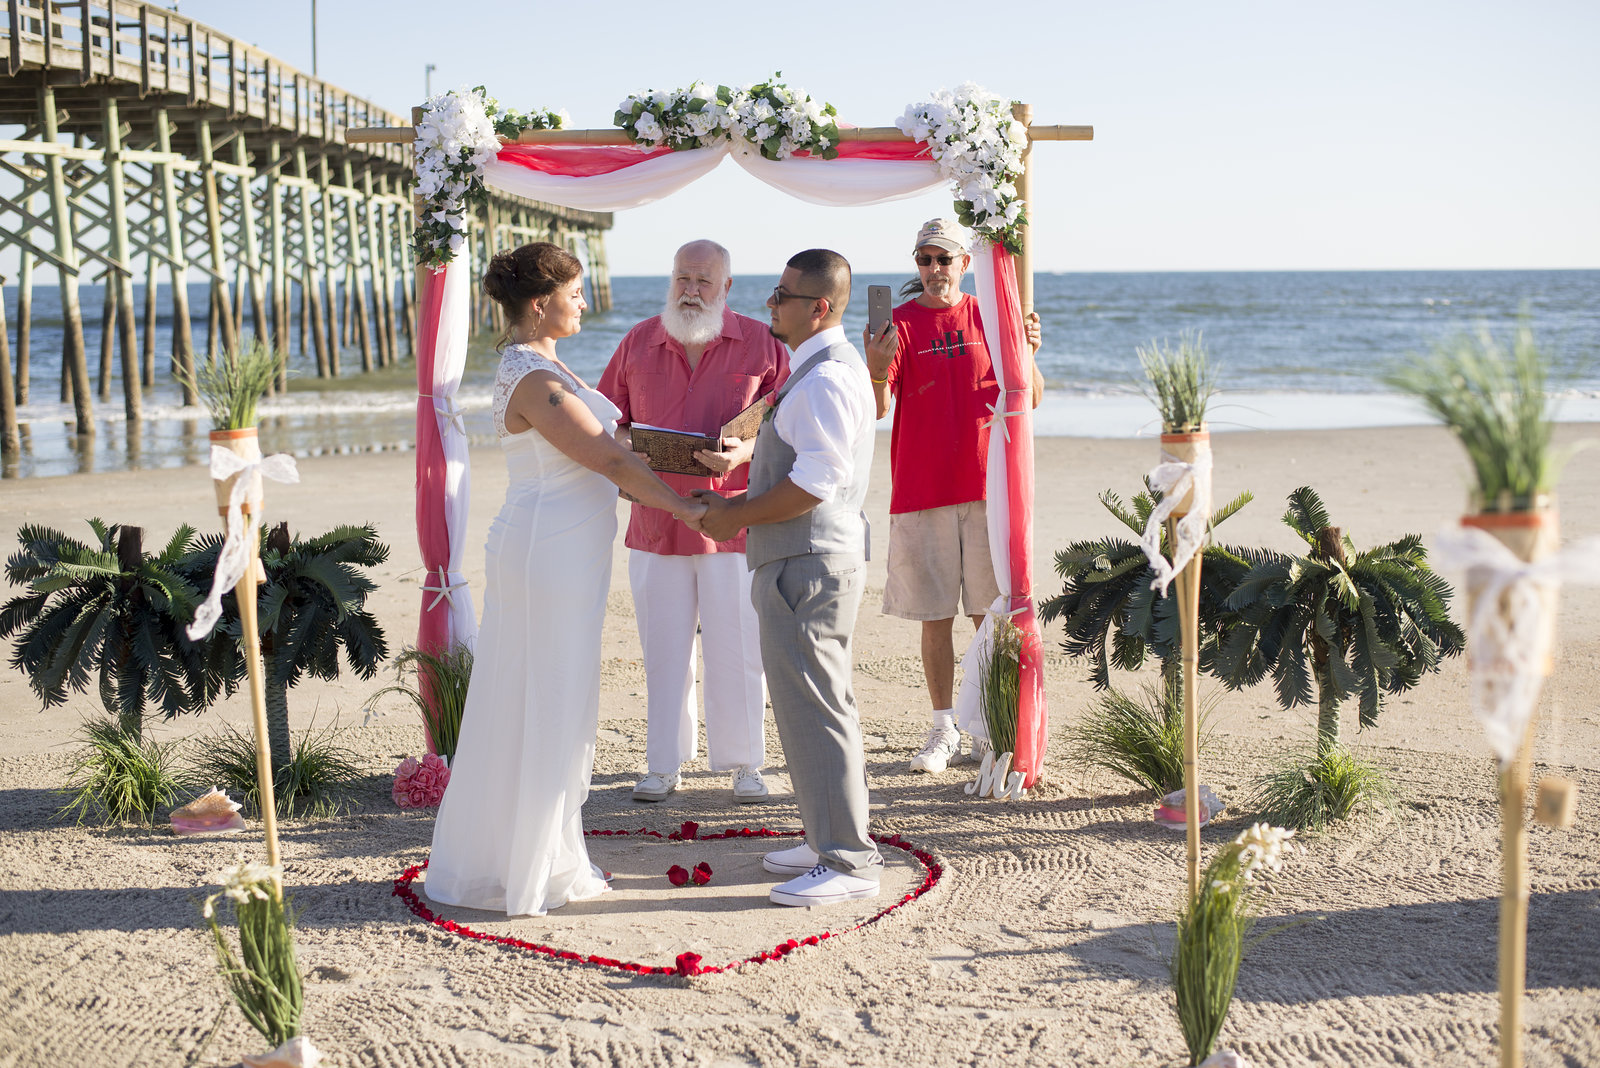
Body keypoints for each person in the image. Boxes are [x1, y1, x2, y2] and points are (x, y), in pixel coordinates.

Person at [426, 242, 708, 916]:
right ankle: (533, 866)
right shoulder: (532, 377)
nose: (584, 302)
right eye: (575, 292)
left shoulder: (547, 366)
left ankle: (541, 850)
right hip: (544, 554)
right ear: (541, 302)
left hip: (567, 553)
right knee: (545, 698)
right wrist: (687, 508)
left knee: (559, 696)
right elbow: (609, 460)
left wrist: (697, 456)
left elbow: (621, 444)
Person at [695, 249, 882, 907]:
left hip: (808, 563)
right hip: (803, 560)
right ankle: (826, 834)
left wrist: (734, 516)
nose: (769, 305)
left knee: (817, 705)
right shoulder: (820, 370)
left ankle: (848, 859)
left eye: (780, 296)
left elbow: (816, 482)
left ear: (818, 307)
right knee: (807, 704)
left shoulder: (827, 378)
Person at [598, 240, 788, 805]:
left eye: (704, 281)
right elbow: (610, 423)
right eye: (683, 277)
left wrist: (743, 452)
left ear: (726, 288)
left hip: (733, 522)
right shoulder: (638, 340)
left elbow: (782, 424)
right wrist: (640, 446)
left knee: (738, 648)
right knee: (663, 649)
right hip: (656, 522)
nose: (691, 290)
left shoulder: (761, 342)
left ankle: (745, 764)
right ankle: (662, 764)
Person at [862, 218, 1043, 774]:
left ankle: (989, 725)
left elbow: (1030, 398)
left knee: (989, 617)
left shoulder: (993, 317)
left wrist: (1029, 350)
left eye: (945, 258)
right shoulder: (898, 323)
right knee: (934, 616)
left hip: (989, 490)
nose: (935, 269)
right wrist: (873, 367)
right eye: (925, 259)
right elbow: (878, 407)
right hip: (922, 489)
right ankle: (943, 728)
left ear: (966, 263)